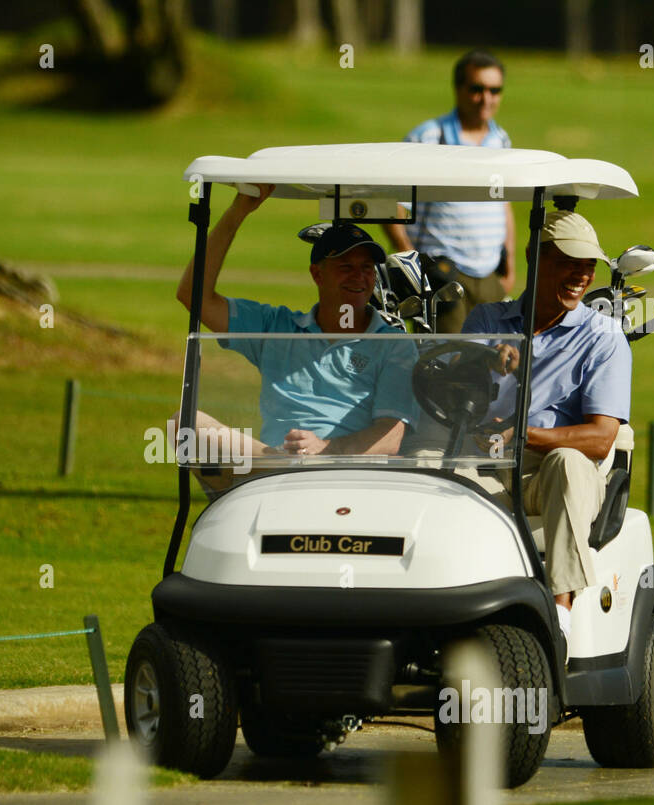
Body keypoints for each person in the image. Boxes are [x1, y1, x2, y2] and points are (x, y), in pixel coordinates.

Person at [463, 211, 630, 641]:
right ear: (535, 260)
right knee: (425, 464)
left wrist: (521, 435)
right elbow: (448, 397)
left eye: (588, 265)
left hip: (548, 473)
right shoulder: (486, 322)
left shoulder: (603, 337)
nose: (581, 275)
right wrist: (483, 362)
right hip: (484, 466)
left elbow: (600, 438)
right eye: (569, 262)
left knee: (570, 462)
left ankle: (561, 615)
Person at [175, 184, 417, 464]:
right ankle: (279, 463)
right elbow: (194, 297)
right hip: (270, 464)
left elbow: (391, 438)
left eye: (366, 269)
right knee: (183, 424)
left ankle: (280, 465)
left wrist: (325, 448)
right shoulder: (275, 326)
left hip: (349, 468)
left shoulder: (394, 344)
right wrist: (237, 212)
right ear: (318, 274)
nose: (359, 278)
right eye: (346, 268)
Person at [384, 49, 516, 333]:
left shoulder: (501, 139)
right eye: (477, 89)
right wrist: (411, 264)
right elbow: (390, 202)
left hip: (490, 274)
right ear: (458, 89)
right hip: (441, 274)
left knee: (492, 364)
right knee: (445, 364)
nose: (487, 98)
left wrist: (511, 263)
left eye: (495, 90)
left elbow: (503, 204)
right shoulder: (428, 137)